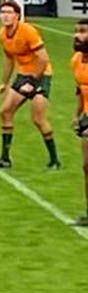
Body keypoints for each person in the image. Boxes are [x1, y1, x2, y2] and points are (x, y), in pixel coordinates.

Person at [0, 0, 59, 169]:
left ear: (17, 16)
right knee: (5, 111)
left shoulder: (28, 31)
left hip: (41, 74)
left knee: (38, 119)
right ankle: (5, 158)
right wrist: (4, 83)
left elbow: (43, 59)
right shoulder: (2, 35)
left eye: (9, 12)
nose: (5, 15)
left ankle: (54, 159)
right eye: (3, 12)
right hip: (24, 74)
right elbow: (8, 59)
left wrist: (34, 82)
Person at [72, 20, 88, 226]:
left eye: (83, 32)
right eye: (76, 32)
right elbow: (80, 89)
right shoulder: (76, 60)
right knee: (86, 166)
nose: (77, 36)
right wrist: (77, 115)